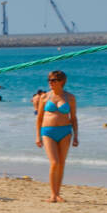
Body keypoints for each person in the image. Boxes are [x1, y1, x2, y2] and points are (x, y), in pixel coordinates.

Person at [36, 68, 78, 202]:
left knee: (61, 163)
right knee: (54, 162)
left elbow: (74, 118)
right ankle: (52, 194)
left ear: (61, 82)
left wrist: (76, 136)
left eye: (53, 80)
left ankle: (58, 194)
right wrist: (37, 136)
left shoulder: (69, 97)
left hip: (65, 132)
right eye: (49, 80)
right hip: (48, 132)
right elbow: (39, 118)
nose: (50, 82)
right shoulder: (44, 97)